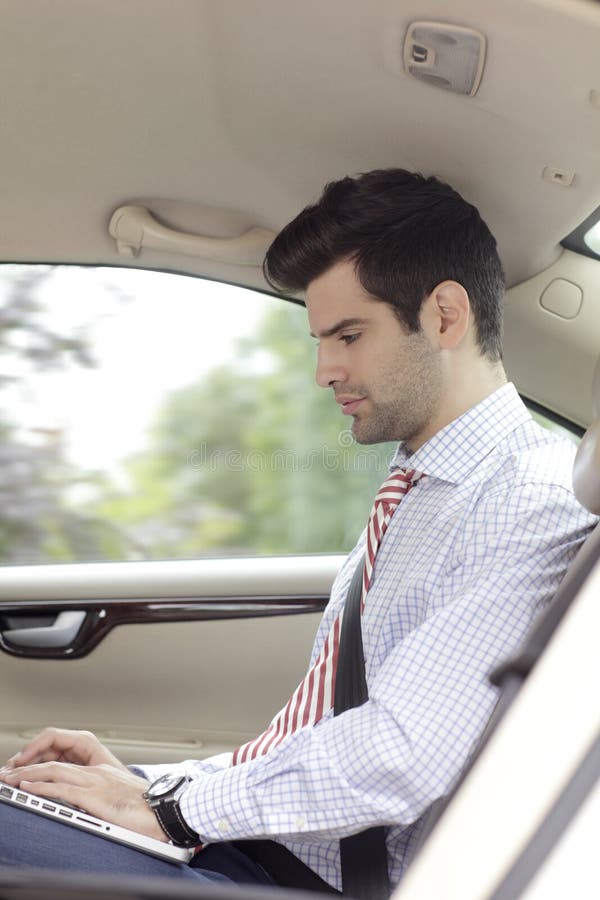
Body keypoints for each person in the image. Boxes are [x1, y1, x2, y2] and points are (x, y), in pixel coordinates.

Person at [0, 169, 595, 893]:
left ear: (444, 316)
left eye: (348, 334)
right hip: (272, 853)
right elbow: (317, 736)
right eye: (321, 339)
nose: (324, 370)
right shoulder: (425, 491)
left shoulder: (523, 500)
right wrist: (146, 784)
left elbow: (398, 758)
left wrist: (171, 810)